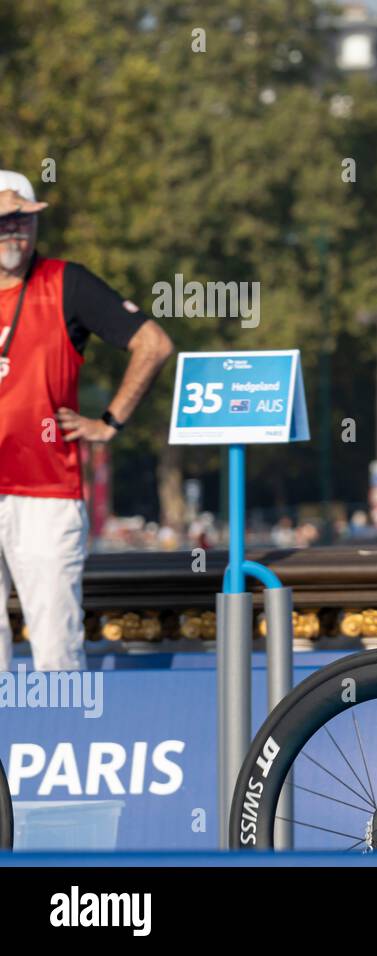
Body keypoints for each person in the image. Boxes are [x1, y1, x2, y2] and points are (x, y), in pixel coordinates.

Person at [0, 170, 174, 671]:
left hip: (46, 494)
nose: (14, 231)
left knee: (56, 648)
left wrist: (109, 422)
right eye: (4, 221)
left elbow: (153, 343)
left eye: (23, 220)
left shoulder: (66, 283)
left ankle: (63, 742)